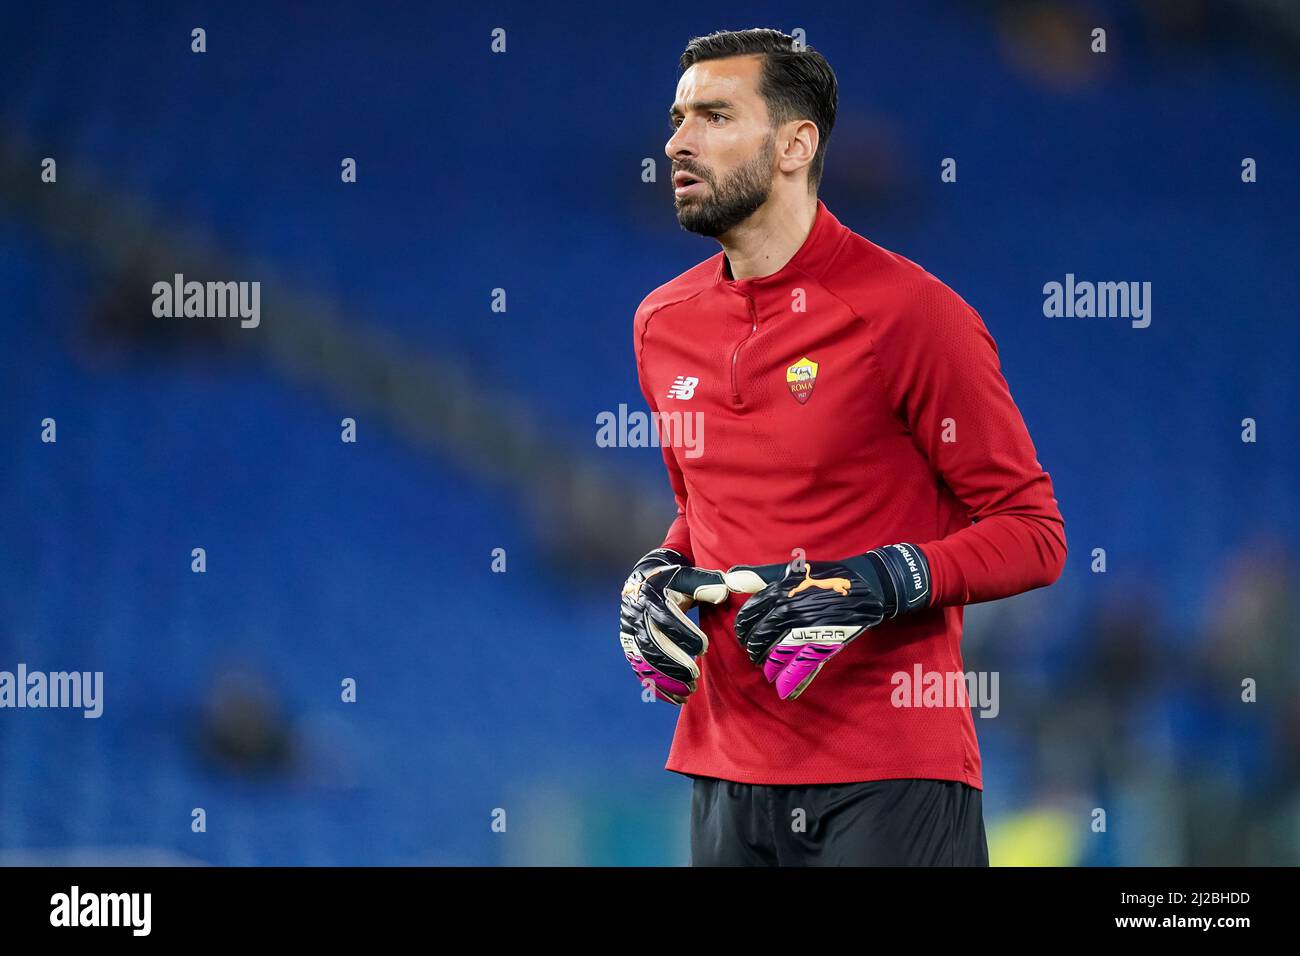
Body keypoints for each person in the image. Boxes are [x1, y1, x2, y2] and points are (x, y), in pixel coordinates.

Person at [618, 28, 1066, 866]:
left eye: (715, 115)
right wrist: (660, 573)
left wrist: (884, 578)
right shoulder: (660, 324)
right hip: (724, 774)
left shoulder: (911, 313)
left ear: (796, 145)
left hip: (889, 777)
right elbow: (702, 512)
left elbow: (1034, 533)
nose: (677, 141)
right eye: (678, 118)